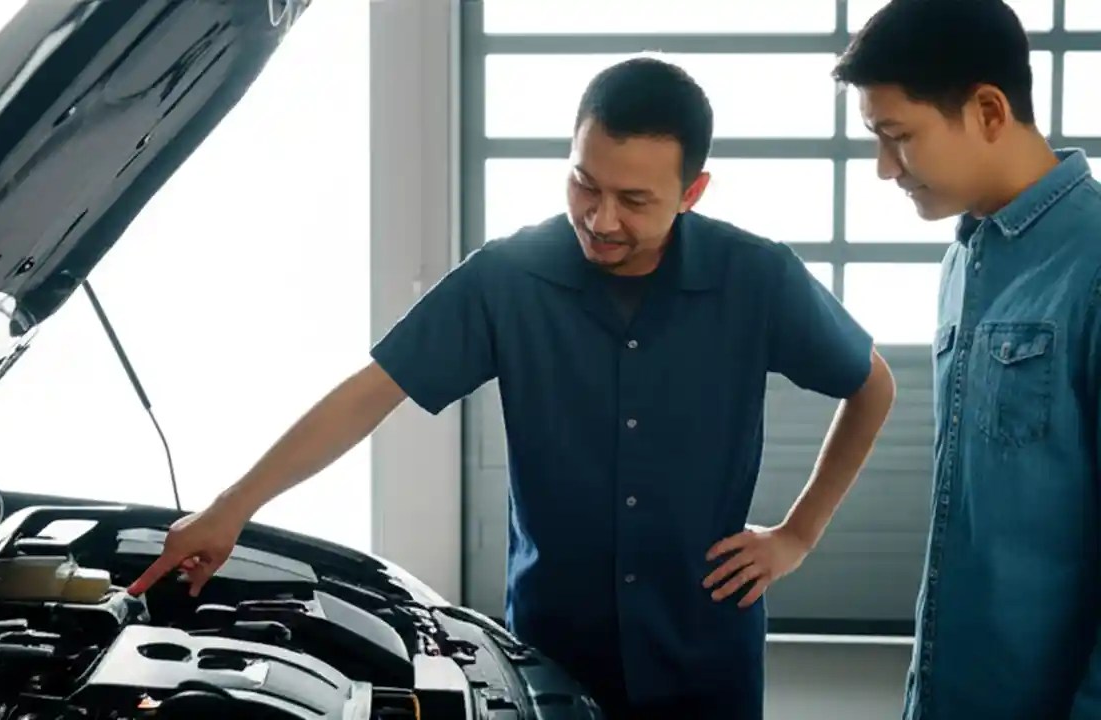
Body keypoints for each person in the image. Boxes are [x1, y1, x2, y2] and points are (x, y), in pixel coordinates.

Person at [128, 57, 896, 718]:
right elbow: (369, 393)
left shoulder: (756, 277)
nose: (600, 219)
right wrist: (234, 506)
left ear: (693, 191)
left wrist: (799, 535)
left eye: (635, 201)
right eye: (584, 184)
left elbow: (871, 385)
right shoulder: (508, 277)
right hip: (551, 648)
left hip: (704, 647)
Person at [832, 1, 1101, 719]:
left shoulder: (1095, 263)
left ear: (987, 110)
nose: (885, 168)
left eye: (898, 137)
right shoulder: (962, 258)